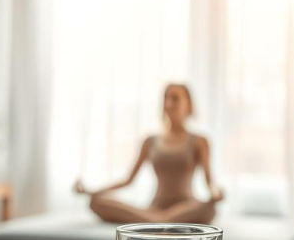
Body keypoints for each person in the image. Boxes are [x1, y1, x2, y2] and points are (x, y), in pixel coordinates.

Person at [74, 84, 223, 224]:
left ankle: (156, 223)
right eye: (166, 98)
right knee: (96, 202)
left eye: (175, 98)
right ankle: (159, 222)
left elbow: (209, 183)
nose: (169, 104)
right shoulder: (150, 141)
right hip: (153, 210)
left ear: (188, 105)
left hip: (186, 209)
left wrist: (215, 193)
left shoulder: (200, 141)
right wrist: (91, 192)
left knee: (209, 208)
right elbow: (128, 180)